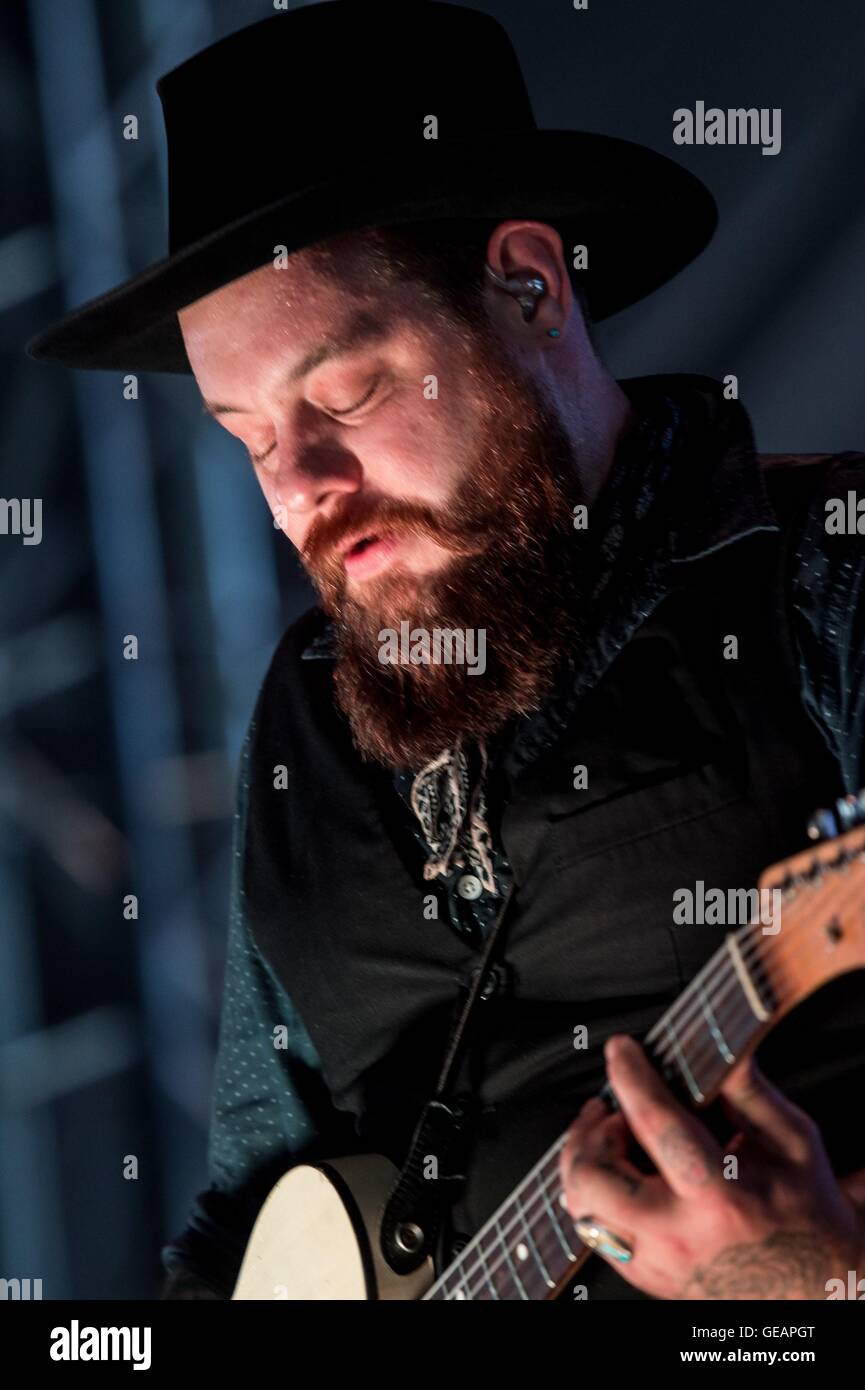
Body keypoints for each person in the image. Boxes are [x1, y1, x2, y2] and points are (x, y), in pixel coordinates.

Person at [27, 1, 865, 1301]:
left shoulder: (825, 582)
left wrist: (818, 1289)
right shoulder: (302, 721)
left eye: (345, 393)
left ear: (527, 286)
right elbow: (243, 1215)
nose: (300, 487)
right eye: (247, 437)